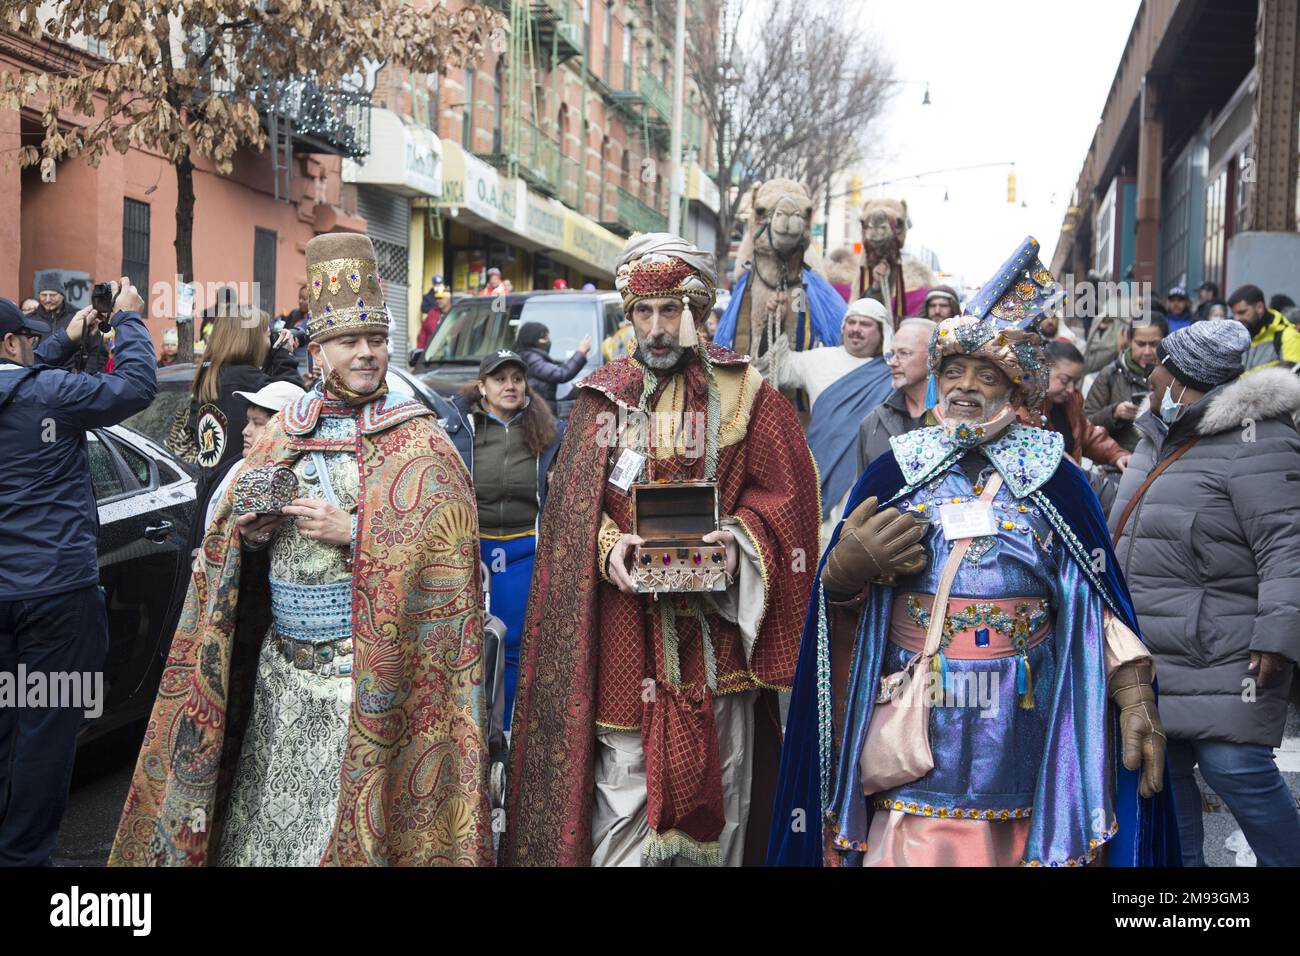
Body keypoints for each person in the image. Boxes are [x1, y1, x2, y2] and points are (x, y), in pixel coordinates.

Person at [770, 237, 1177, 867]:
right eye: (953, 372)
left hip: (1022, 713)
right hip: (913, 714)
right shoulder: (895, 469)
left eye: (985, 375)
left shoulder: (1056, 478)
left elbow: (1093, 599)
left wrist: (1133, 690)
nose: (964, 388)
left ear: (1016, 389)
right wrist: (842, 575)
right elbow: (835, 608)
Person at [110, 233, 493, 867]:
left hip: (368, 683)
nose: (366, 354)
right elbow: (224, 540)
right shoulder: (285, 430)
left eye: (376, 340)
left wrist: (360, 530)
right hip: (282, 679)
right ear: (319, 352)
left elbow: (451, 556)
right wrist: (249, 534)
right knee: (268, 841)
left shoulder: (421, 440)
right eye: (350, 342)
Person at [502, 233, 821, 867]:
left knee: (725, 791)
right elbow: (569, 514)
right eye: (643, 313)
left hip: (718, 642)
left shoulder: (746, 392)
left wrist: (737, 542)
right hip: (626, 637)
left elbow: (789, 496)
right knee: (622, 800)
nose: (655, 328)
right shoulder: (602, 396)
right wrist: (607, 547)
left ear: (697, 312)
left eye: (669, 311)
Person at [1111, 319, 1300, 867]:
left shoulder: (1262, 440)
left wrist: (1279, 637)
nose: (1149, 376)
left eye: (1158, 368)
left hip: (1229, 644)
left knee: (1234, 767)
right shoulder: (1152, 439)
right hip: (1152, 645)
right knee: (1163, 774)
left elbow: (1287, 547)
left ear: (1182, 379)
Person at [0, 282, 156, 866]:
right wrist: (133, 322)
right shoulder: (50, 397)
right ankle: (23, 860)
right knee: (45, 728)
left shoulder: (40, 383)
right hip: (55, 597)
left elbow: (17, 375)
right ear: (13, 341)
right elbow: (136, 386)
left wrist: (61, 342)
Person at [439, 350, 564, 732]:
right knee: (461, 644)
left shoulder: (548, 430)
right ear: (482, 387)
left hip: (522, 552)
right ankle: (462, 732)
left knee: (511, 645)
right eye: (499, 379)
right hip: (469, 552)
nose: (510, 386)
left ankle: (506, 734)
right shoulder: (459, 428)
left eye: (516, 378)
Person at [757, 298, 893, 536]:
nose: (856, 329)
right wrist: (774, 322)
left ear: (882, 332)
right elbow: (776, 367)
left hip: (861, 472)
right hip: (820, 463)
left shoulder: (892, 371)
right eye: (851, 322)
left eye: (865, 324)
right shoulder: (818, 358)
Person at [183, 306, 303, 527]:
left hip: (209, 492)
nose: (270, 342)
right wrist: (283, 356)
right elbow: (295, 404)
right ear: (253, 340)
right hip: (240, 497)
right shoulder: (246, 379)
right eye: (267, 335)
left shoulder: (209, 378)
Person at [201, 380, 307, 530]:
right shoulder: (235, 466)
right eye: (248, 421)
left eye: (258, 423)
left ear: (285, 430)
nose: (246, 430)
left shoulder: (292, 480)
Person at [856, 318, 937, 471]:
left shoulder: (953, 418)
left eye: (903, 353)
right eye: (891, 354)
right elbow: (862, 490)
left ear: (932, 358)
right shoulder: (873, 422)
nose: (892, 362)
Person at [1038, 340, 1129, 470]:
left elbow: (1088, 436)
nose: (1070, 389)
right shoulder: (1026, 411)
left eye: (1075, 382)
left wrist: (1118, 455)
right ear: (1042, 371)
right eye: (1064, 380)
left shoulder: (1070, 403)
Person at [1084, 315, 1166, 452]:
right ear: (1129, 340)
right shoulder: (1110, 374)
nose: (1147, 352)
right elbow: (1087, 424)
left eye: (1154, 345)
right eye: (1140, 344)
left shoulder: (1173, 378)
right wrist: (1114, 413)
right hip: (1120, 462)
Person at [512, 321, 590, 416]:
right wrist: (581, 352)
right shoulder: (531, 358)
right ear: (531, 339)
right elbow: (561, 374)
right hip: (538, 415)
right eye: (544, 338)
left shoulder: (531, 356)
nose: (548, 341)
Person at [35, 277, 109, 373]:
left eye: (53, 295)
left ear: (62, 295)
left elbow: (98, 351)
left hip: (73, 382)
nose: (48, 299)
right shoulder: (30, 320)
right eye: (43, 295)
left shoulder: (78, 317)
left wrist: (87, 375)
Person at [1228, 283, 1300, 373]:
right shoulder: (1236, 337)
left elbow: (1293, 382)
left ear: (1259, 307)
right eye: (1234, 313)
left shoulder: (1288, 336)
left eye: (1242, 312)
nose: (1236, 318)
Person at [416, 287, 451, 353]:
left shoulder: (454, 314)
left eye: (441, 298)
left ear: (448, 298)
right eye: (437, 298)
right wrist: (419, 350)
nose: (438, 301)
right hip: (431, 355)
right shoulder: (432, 314)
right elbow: (423, 334)